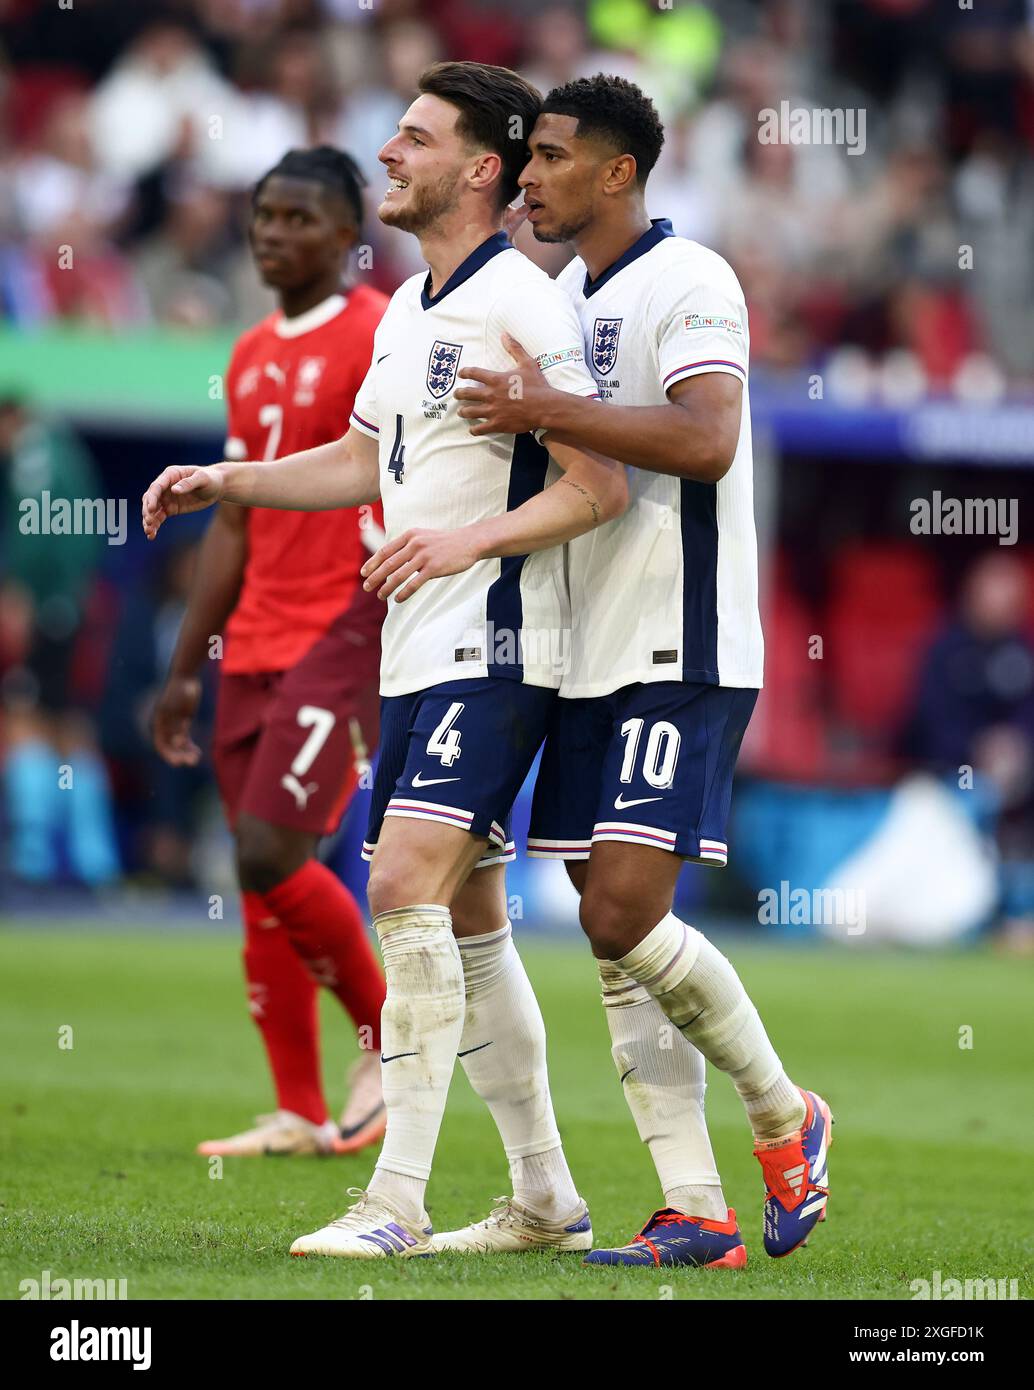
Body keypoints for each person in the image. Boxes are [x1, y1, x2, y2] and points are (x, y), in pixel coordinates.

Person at [143, 62, 628, 1258]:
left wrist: (468, 538)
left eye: (411, 139)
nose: (387, 157)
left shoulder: (527, 299)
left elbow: (598, 483)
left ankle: (393, 1201)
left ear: (479, 168)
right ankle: (543, 1197)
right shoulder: (412, 308)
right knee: (469, 921)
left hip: (502, 639)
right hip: (421, 644)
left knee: (399, 880)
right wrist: (228, 480)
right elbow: (363, 464)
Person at [372, 74, 833, 1267]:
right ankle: (694, 1206)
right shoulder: (561, 293)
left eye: (554, 158)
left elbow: (708, 437)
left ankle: (786, 1111)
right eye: (524, 159)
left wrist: (538, 406)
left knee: (623, 908)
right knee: (605, 927)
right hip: (582, 649)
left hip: (679, 638)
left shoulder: (691, 280)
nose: (529, 176)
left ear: (617, 172)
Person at [151, 147, 389, 1159]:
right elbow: (236, 521)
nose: (272, 233)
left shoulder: (380, 331)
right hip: (252, 633)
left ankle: (391, 1043)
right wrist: (183, 663)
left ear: (347, 235)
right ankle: (297, 1109)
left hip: (343, 624)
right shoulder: (247, 354)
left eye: (298, 217)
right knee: (256, 880)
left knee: (268, 849)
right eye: (262, 214)